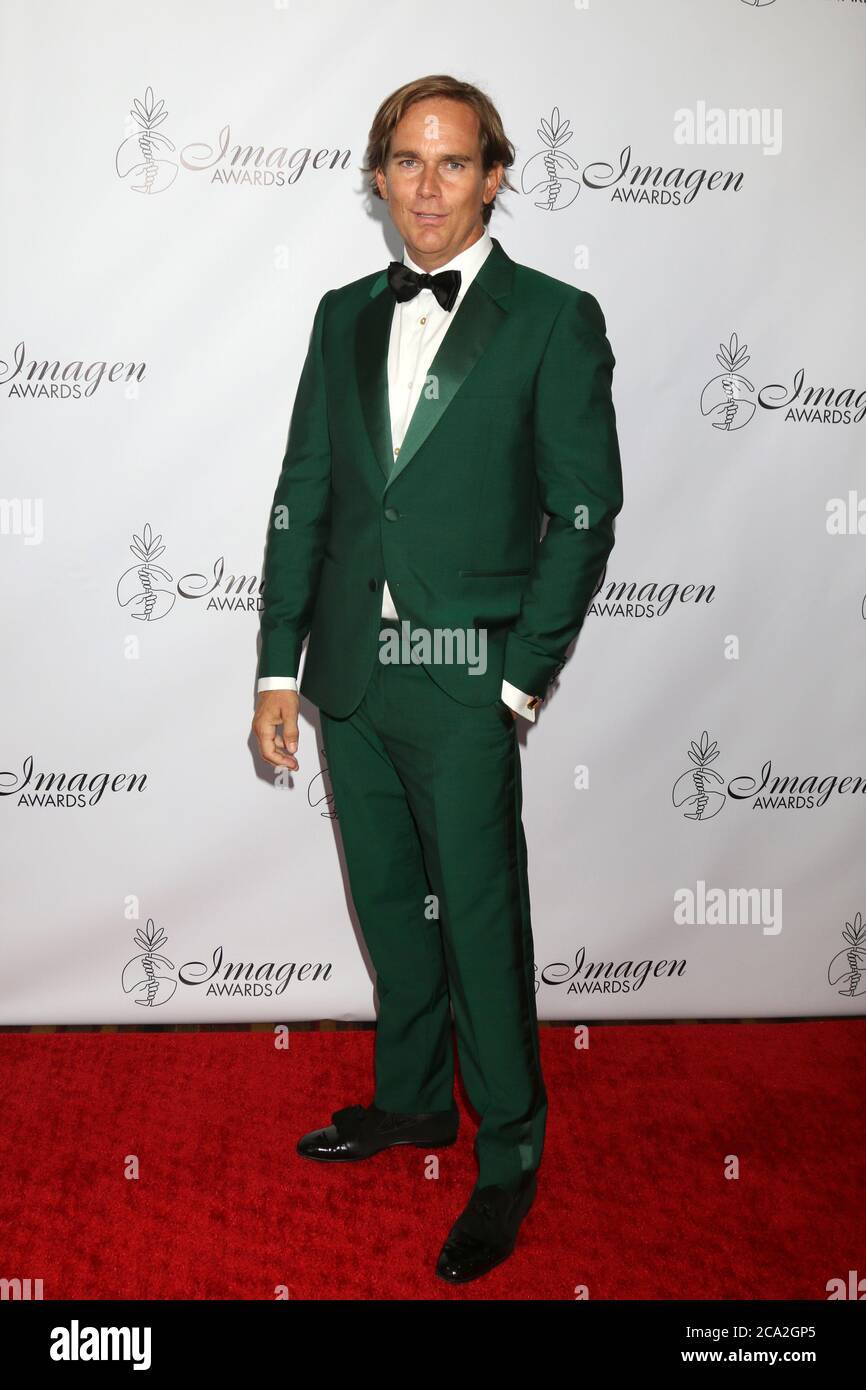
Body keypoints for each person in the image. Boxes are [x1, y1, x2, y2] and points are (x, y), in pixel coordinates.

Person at [251, 73, 623, 1284]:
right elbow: (305, 491)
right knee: (389, 905)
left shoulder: (551, 318)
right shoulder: (340, 315)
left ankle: (507, 1151)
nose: (426, 185)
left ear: (493, 175)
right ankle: (413, 1100)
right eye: (405, 161)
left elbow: (583, 512)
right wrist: (277, 667)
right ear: (377, 176)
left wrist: (517, 678)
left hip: (465, 677)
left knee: (476, 921)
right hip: (352, 675)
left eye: (452, 161)